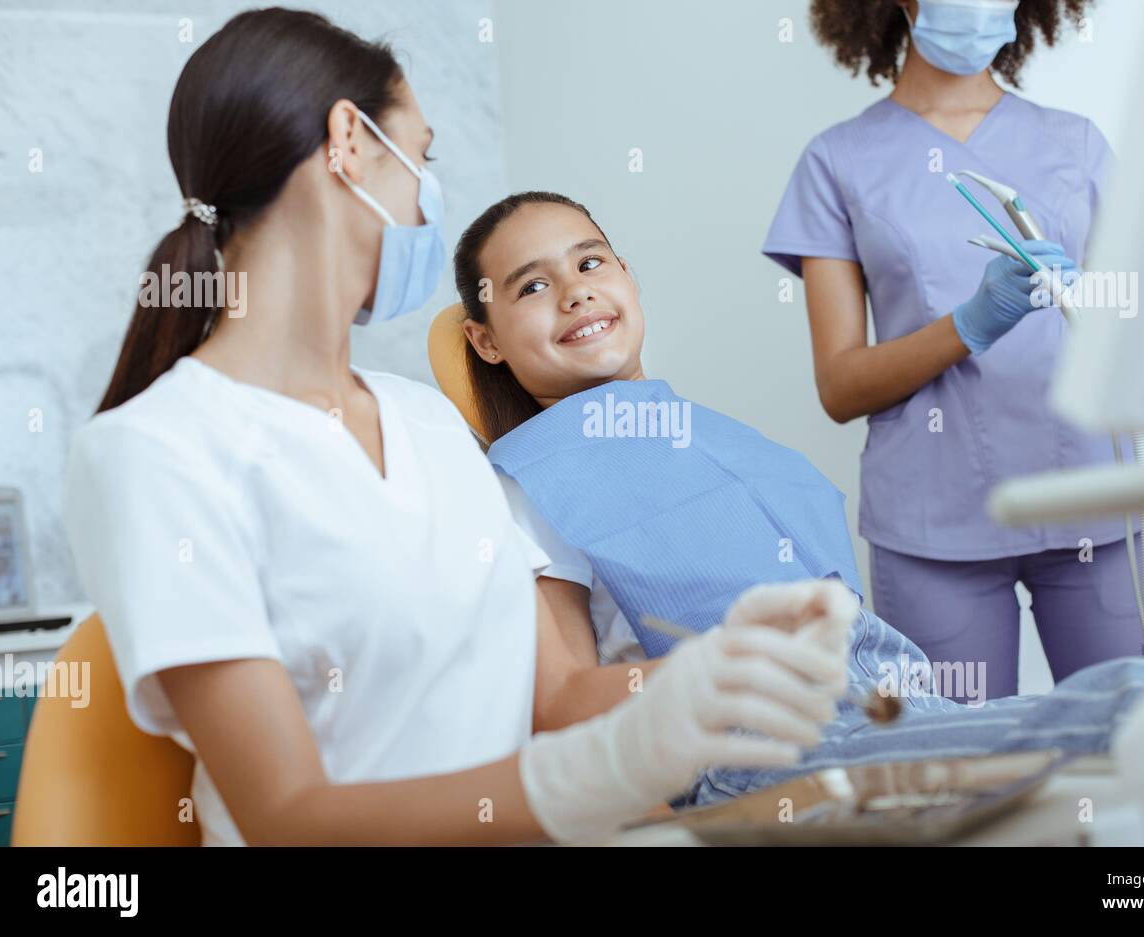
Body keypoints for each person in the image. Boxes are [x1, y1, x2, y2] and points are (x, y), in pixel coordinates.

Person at [61, 8, 855, 846]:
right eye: (423, 156)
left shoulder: (427, 422)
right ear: (349, 142)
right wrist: (605, 770)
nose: (427, 196)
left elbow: (551, 703)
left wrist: (711, 721)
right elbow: (288, 817)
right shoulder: (153, 454)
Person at [453, 189, 1144, 842]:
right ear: (486, 340)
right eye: (532, 285)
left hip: (895, 707)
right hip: (772, 753)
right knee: (1133, 712)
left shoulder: (721, 442)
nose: (574, 291)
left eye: (590, 262)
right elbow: (558, 701)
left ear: (627, 277)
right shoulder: (525, 480)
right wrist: (707, 676)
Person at [762, 0, 1141, 701]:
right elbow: (840, 386)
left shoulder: (1077, 145)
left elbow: (1142, 328)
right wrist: (968, 325)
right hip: (934, 526)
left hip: (1090, 496)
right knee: (962, 774)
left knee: (1126, 746)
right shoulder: (837, 162)